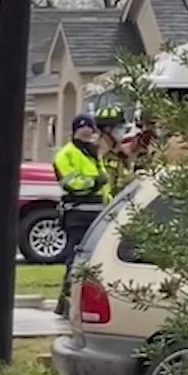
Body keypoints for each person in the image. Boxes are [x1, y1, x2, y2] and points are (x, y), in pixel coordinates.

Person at [52, 112, 112, 317]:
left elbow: (104, 184)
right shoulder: (66, 154)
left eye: (91, 131)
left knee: (95, 261)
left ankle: (82, 303)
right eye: (84, 130)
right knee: (75, 260)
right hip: (77, 214)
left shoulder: (93, 153)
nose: (88, 134)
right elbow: (70, 183)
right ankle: (66, 303)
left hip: (97, 214)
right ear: (76, 130)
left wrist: (110, 204)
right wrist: (95, 182)